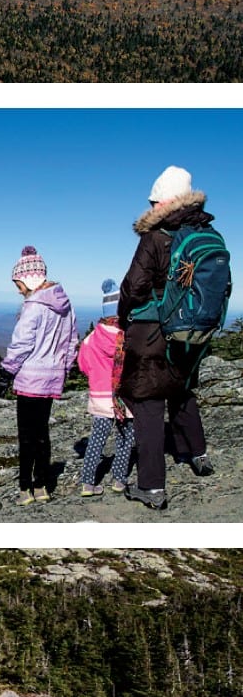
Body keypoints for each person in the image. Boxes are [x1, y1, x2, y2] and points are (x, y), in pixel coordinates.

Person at [118, 166, 219, 510]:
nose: (151, 205)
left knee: (148, 401)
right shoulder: (205, 232)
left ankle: (152, 487)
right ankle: (199, 455)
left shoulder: (157, 236)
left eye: (155, 200)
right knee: (181, 389)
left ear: (169, 200)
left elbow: (134, 286)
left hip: (153, 331)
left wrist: (123, 318)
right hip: (193, 330)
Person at [0, 245, 78, 506]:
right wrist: (62, 371)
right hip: (51, 380)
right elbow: (72, 343)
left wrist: (5, 374)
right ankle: (42, 485)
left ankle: (24, 489)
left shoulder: (33, 307)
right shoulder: (65, 306)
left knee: (26, 436)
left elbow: (21, 345)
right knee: (42, 433)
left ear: (29, 279)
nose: (17, 289)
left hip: (30, 378)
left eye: (17, 283)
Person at [76, 279, 135, 496]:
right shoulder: (131, 337)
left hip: (100, 397)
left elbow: (83, 365)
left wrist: (97, 375)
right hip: (125, 397)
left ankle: (88, 483)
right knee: (125, 439)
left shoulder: (91, 339)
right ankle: (119, 480)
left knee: (96, 440)